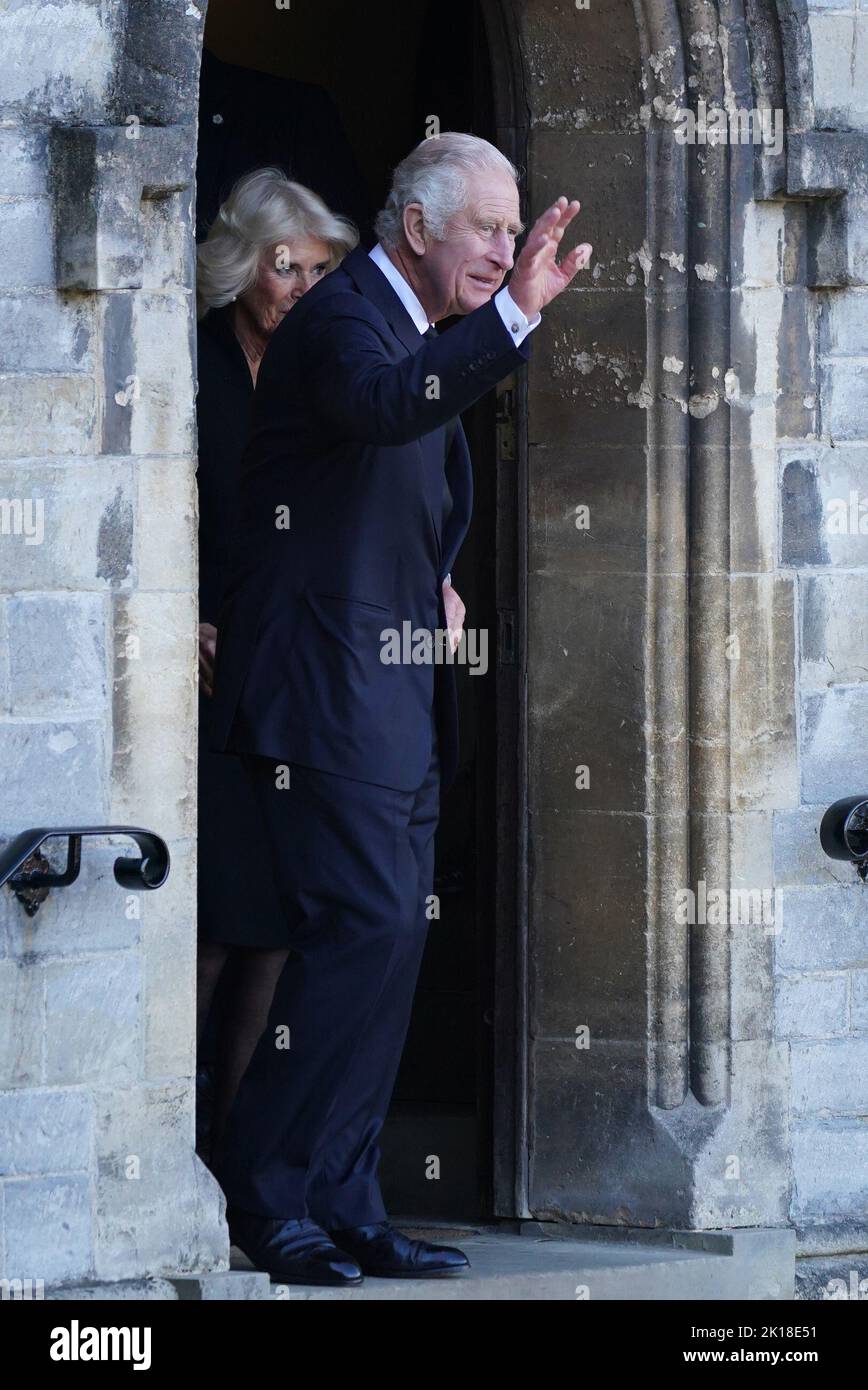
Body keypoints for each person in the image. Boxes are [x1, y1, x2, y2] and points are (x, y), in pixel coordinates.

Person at [208, 132, 592, 1286]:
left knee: (383, 950)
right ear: (416, 229)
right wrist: (512, 317)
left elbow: (405, 477)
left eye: (509, 227)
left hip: (390, 681)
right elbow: (384, 410)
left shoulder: (417, 326)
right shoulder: (343, 317)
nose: (501, 246)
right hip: (326, 689)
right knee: (356, 936)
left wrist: (435, 569)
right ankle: (265, 1196)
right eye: (484, 226)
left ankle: (344, 1195)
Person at [195, 168, 359, 1166]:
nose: (302, 284)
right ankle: (168, 1156)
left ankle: (243, 1160)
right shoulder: (192, 360)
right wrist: (174, 621)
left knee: (275, 922)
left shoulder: (328, 369)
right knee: (211, 916)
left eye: (319, 267)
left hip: (294, 672)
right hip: (205, 671)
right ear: (238, 268)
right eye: (282, 265)